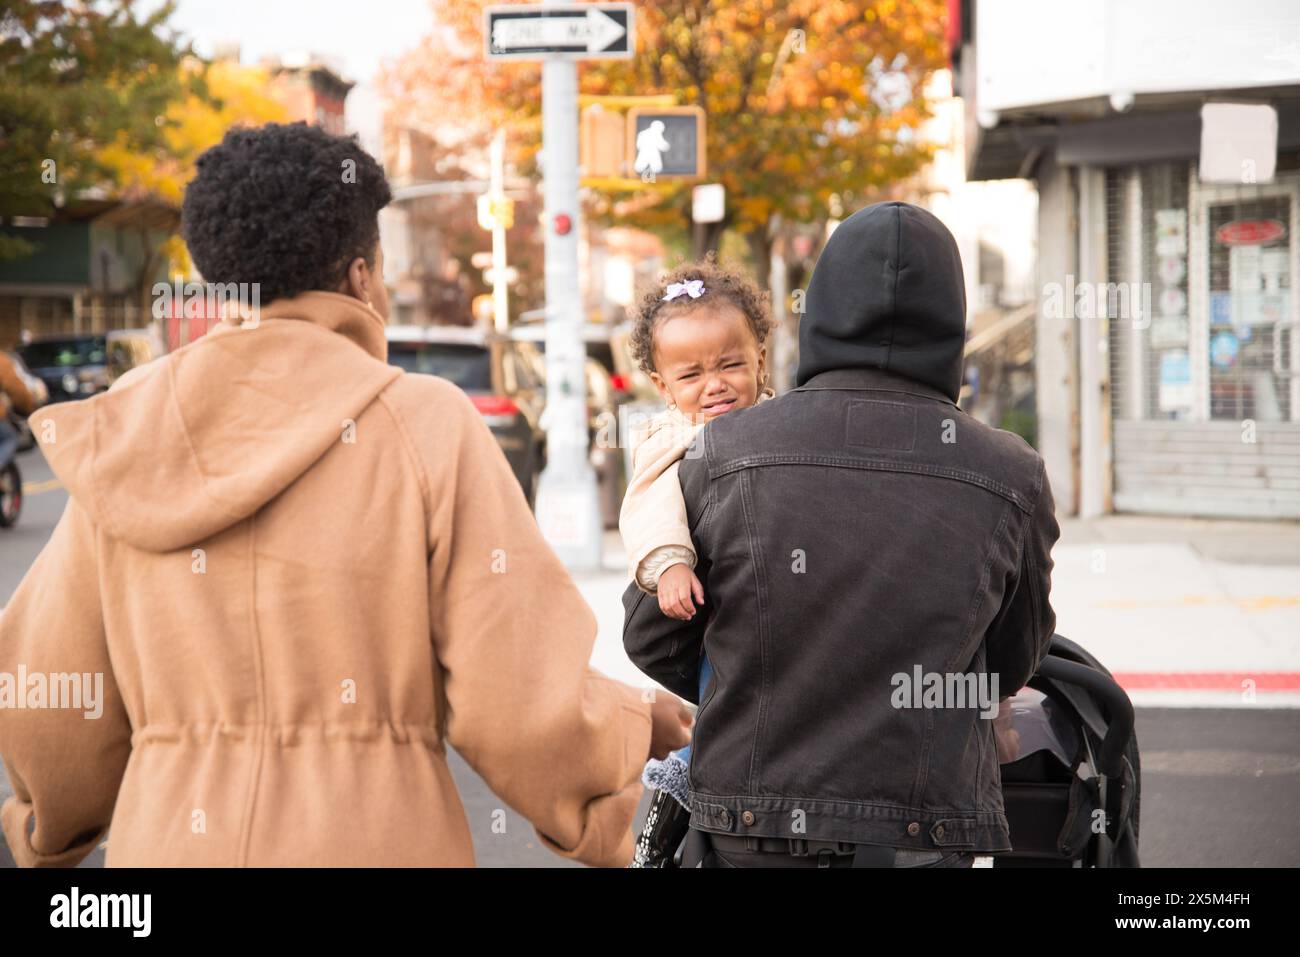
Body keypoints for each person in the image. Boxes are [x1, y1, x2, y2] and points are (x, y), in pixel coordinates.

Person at [0, 121, 691, 868]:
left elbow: (55, 701)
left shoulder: (128, 429)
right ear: (361, 276)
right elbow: (520, 704)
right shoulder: (424, 424)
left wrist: (45, 828)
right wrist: (625, 751)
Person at [623, 201, 1060, 868]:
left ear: (819, 309)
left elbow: (653, 634)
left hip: (748, 824)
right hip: (923, 833)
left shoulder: (719, 451)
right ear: (951, 322)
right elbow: (1009, 658)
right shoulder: (1011, 473)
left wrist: (758, 677)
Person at [616, 256, 774, 864]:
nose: (716, 385)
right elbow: (649, 508)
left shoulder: (781, 418)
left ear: (760, 356)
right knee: (724, 721)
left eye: (732, 364)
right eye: (692, 375)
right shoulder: (673, 438)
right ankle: (670, 802)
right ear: (663, 386)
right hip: (715, 614)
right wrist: (671, 565)